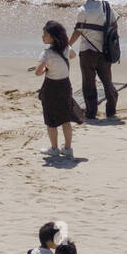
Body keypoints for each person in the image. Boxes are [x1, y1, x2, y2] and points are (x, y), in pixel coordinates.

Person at [68, 0, 120, 121]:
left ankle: (91, 114)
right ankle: (111, 110)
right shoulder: (107, 6)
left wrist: (68, 44)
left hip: (87, 53)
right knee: (107, 82)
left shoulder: (83, 10)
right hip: (104, 52)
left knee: (89, 84)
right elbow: (115, 27)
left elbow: (77, 31)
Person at [34, 21, 83, 160]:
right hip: (65, 86)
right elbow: (73, 55)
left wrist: (46, 68)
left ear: (53, 37)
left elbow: (38, 72)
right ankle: (68, 148)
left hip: (51, 87)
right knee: (65, 119)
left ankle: (54, 148)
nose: (43, 37)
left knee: (51, 120)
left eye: (45, 35)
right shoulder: (66, 48)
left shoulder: (46, 53)